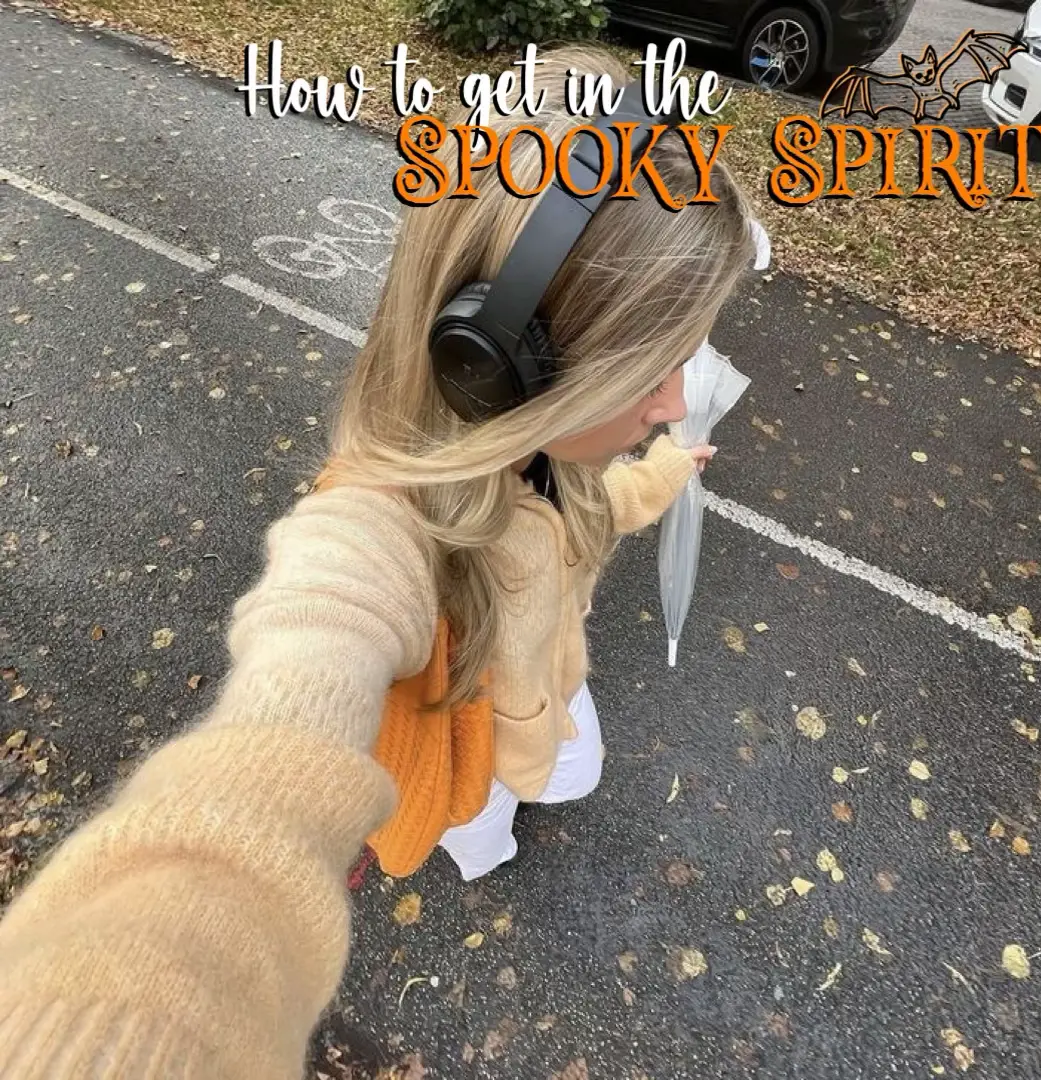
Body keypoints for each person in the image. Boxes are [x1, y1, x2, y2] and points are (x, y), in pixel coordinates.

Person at [0, 42, 760, 1080]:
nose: (674, 401)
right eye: (650, 369)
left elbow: (596, 512)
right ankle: (481, 844)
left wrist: (667, 470)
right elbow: (303, 670)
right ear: (493, 363)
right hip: (464, 762)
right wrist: (134, 1004)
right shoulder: (377, 524)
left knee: (563, 765)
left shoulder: (552, 453)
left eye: (683, 361)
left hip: (545, 688)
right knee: (477, 825)